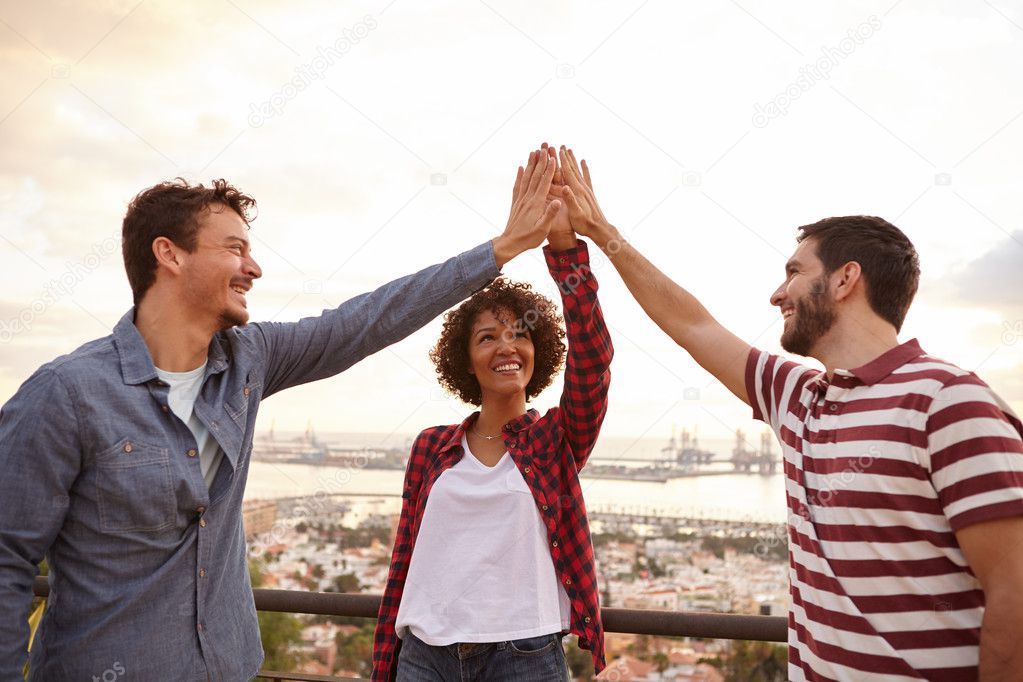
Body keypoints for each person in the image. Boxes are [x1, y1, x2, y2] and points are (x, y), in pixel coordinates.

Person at [0, 147, 563, 681]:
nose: (255, 267)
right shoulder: (66, 395)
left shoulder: (251, 360)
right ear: (169, 254)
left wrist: (502, 248)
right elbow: (7, 560)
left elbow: (368, 319)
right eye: (234, 249)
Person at [552, 146, 1023, 681]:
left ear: (845, 280)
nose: (777, 293)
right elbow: (693, 325)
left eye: (794, 272)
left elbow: (1016, 596)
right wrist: (601, 232)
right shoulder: (797, 397)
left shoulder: (948, 401)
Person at [371, 157, 613, 681]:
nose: (507, 346)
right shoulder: (431, 447)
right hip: (424, 655)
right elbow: (404, 559)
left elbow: (593, 361)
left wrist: (566, 251)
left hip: (523, 657)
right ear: (466, 359)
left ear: (539, 350)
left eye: (519, 334)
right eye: (487, 337)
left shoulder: (554, 440)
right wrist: (385, 661)